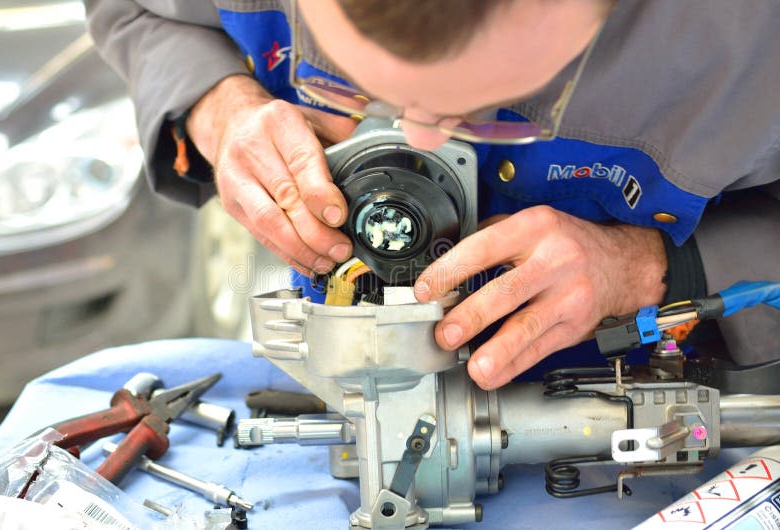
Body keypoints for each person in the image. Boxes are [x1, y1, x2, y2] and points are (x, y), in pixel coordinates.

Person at [84, 0, 780, 390]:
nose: (418, 137)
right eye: (346, 80)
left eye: (480, 107)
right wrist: (219, 104)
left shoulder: (750, 36)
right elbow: (133, 12)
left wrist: (647, 268)